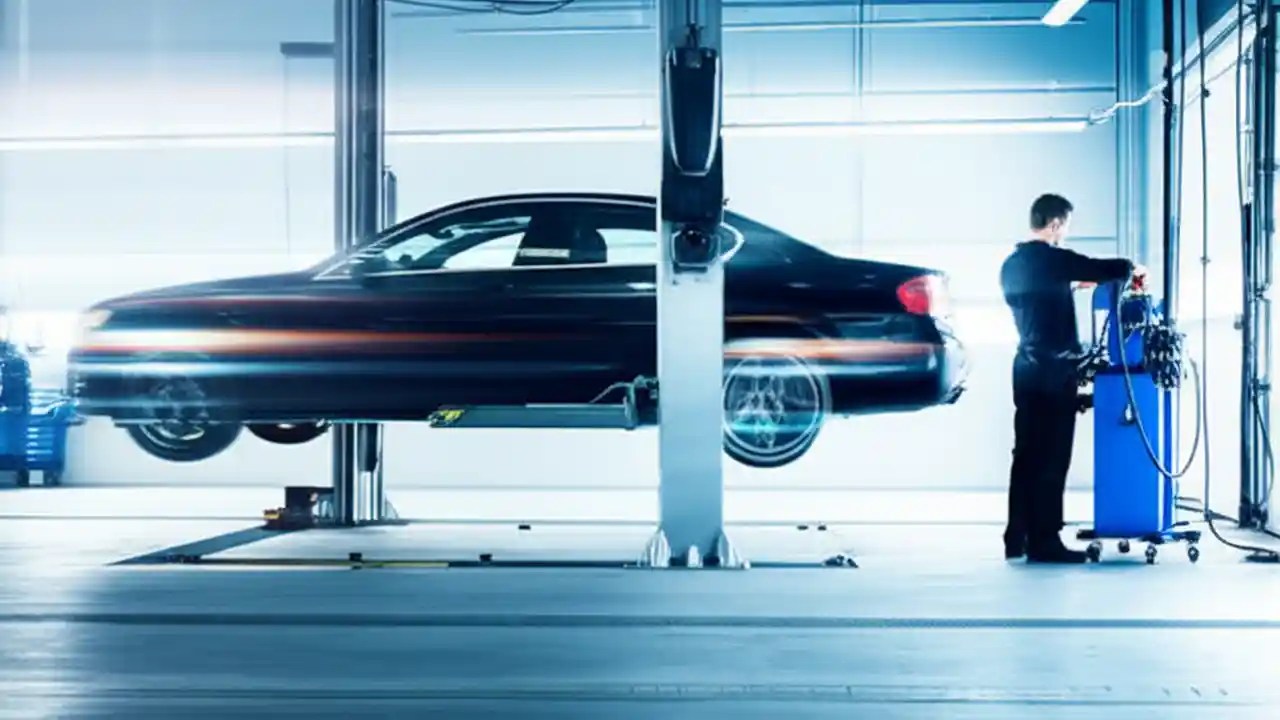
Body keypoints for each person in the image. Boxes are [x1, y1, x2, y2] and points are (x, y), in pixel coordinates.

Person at [999, 194, 1140, 564]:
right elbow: (1106, 267)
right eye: (1066, 227)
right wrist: (1132, 269)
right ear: (1056, 224)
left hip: (1026, 370)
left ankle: (1017, 537)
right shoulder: (1053, 259)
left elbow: (1039, 297)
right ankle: (1045, 541)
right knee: (1052, 458)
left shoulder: (1012, 264)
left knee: (1026, 456)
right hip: (1054, 372)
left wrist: (1070, 287)